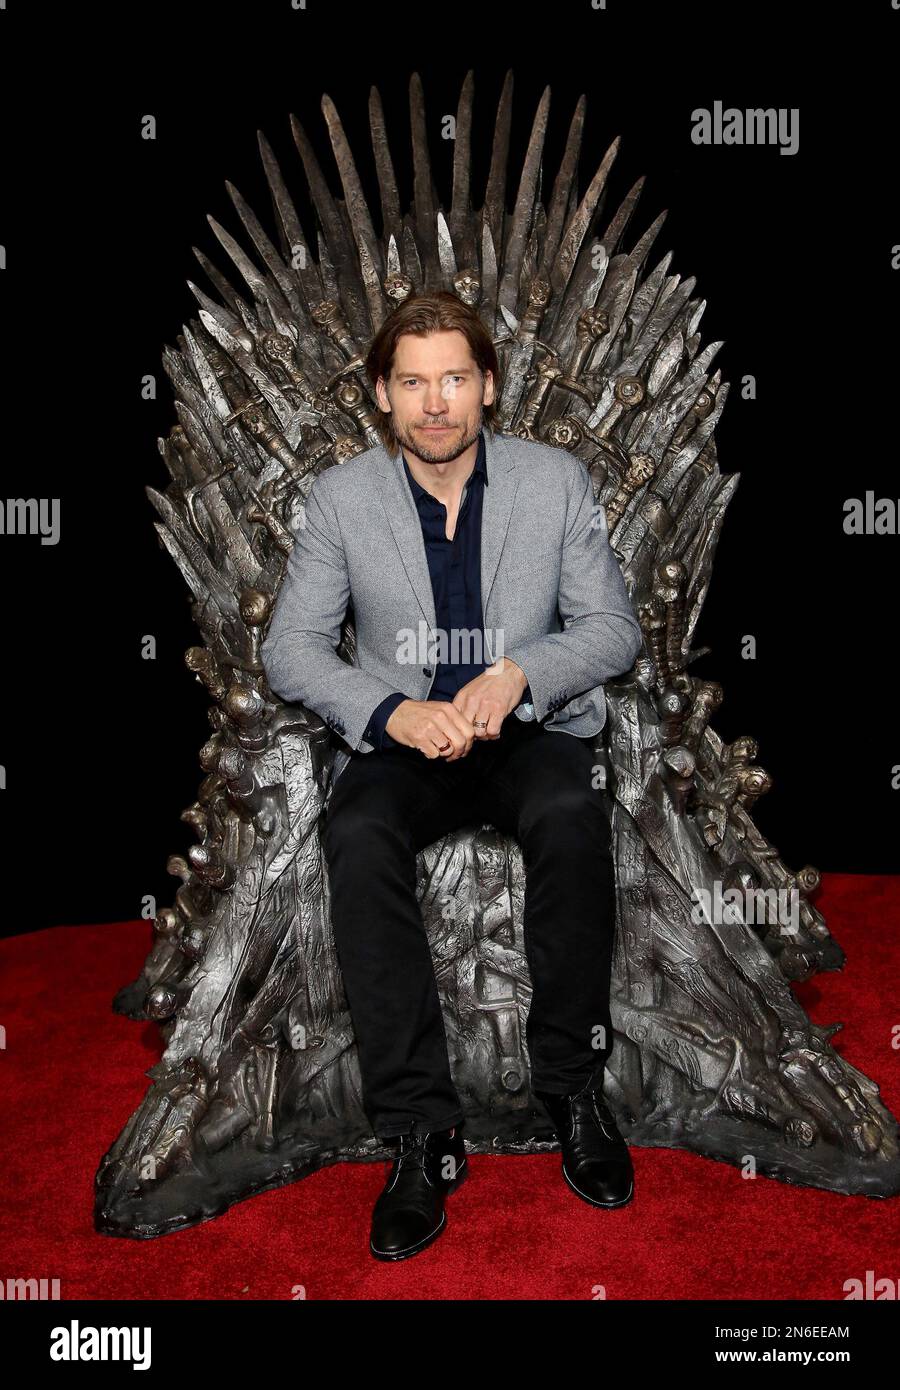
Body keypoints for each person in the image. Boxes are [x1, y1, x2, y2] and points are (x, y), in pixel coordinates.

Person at [261, 292, 644, 1261]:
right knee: (356, 834)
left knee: (570, 810)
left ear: (489, 385)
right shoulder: (340, 499)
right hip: (405, 742)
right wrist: (391, 711)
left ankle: (570, 1089)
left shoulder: (554, 481)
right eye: (414, 381)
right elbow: (291, 649)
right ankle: (421, 1133)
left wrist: (521, 673)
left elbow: (613, 629)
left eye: (455, 378)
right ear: (384, 397)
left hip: (527, 729)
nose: (437, 401)